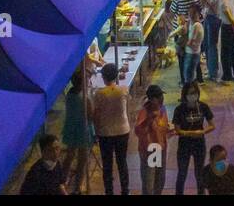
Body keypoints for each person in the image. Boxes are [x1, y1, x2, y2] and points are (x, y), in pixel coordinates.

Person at [90, 63, 130, 195]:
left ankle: (109, 191)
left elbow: (95, 115)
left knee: (107, 165)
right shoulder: (124, 90)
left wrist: (96, 131)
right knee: (122, 162)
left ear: (103, 77)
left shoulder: (99, 94)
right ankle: (125, 190)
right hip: (123, 130)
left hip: (105, 133)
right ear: (116, 75)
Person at [172, 81, 215, 195]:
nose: (193, 95)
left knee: (199, 174)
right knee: (182, 173)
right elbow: (177, 129)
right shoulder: (179, 109)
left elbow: (212, 125)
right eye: (190, 93)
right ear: (185, 94)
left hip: (199, 144)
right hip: (184, 145)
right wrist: (189, 133)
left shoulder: (203, 107)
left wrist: (202, 131)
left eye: (195, 93)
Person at [133, 84, 170, 196]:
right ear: (153, 99)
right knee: (149, 183)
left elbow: (163, 127)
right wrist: (149, 119)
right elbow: (139, 131)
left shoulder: (162, 109)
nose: (162, 99)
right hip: (151, 150)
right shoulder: (144, 112)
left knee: (160, 180)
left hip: (161, 148)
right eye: (159, 97)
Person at [60, 68, 91, 194]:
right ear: (82, 83)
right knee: (82, 159)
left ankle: (62, 180)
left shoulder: (69, 94)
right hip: (82, 130)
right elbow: (90, 115)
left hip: (70, 128)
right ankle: (78, 186)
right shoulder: (85, 98)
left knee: (69, 155)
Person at [179, 3, 205, 86]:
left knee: (188, 77)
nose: (190, 15)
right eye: (189, 12)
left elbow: (190, 43)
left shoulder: (196, 26)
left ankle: (187, 96)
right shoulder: (191, 23)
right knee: (190, 76)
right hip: (191, 53)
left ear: (197, 14)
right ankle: (188, 96)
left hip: (192, 54)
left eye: (192, 13)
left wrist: (181, 45)